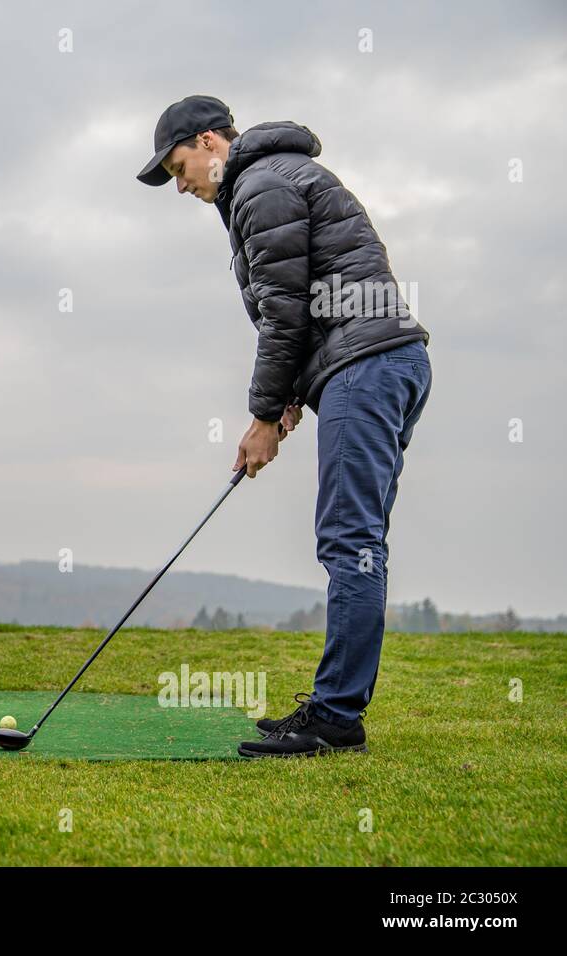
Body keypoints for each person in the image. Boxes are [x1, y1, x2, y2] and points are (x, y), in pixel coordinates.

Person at [137, 95, 432, 757]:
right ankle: (334, 709)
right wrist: (295, 392)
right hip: (380, 363)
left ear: (211, 141)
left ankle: (335, 721)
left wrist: (266, 416)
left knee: (349, 542)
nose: (180, 185)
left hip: (368, 367)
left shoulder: (260, 186)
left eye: (180, 167)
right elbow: (314, 299)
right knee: (357, 541)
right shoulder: (272, 179)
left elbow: (286, 316)